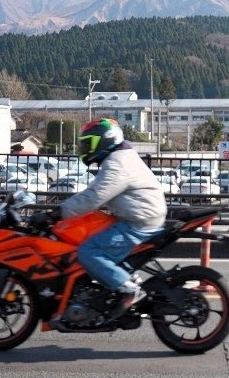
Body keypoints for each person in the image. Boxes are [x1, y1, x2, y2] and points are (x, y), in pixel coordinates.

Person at [55, 118, 167, 317]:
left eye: (88, 143)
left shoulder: (117, 164)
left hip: (139, 222)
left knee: (89, 251)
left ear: (105, 140)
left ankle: (129, 290)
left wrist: (60, 212)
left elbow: (94, 197)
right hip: (138, 216)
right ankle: (124, 280)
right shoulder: (120, 158)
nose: (85, 148)